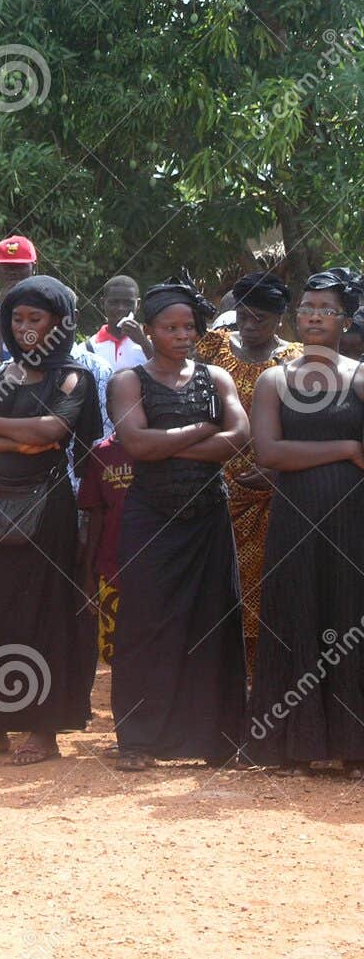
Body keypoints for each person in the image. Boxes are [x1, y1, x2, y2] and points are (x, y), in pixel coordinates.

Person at [0, 275, 101, 766]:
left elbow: (54, 428)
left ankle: (44, 731)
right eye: (18, 318)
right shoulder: (1, 376)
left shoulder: (73, 375)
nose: (25, 327)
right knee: (1, 616)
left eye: (35, 318)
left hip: (50, 512)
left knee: (48, 616)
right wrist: (15, 441)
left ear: (59, 323)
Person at [107, 275, 249, 770]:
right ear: (150, 330)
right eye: (171, 327)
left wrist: (170, 441)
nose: (183, 335)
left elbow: (239, 438)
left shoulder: (217, 378)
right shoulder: (129, 381)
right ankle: (138, 740)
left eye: (189, 327)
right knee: (148, 623)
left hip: (208, 516)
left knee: (212, 621)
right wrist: (198, 431)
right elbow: (137, 446)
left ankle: (216, 738)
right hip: (152, 521)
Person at [247, 268, 364, 775]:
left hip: (353, 518)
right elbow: (269, 453)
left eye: (327, 309)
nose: (315, 316)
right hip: (295, 517)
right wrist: (347, 447)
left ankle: (354, 746)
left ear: (346, 320)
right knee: (294, 613)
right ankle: (289, 744)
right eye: (308, 308)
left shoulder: (360, 376)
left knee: (348, 616)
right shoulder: (274, 378)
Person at [195, 272, 298, 674]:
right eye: (244, 316)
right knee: (217, 587)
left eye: (262, 318)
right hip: (216, 488)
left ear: (280, 320)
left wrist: (277, 472)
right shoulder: (215, 347)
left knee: (267, 586)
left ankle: (261, 680)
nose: (251, 326)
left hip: (273, 491)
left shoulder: (293, 359)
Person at [76, 432, 133, 664]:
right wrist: (89, 573)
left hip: (150, 567)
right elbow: (95, 516)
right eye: (110, 400)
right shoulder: (100, 453)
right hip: (110, 569)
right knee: (114, 653)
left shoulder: (152, 447)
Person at [83, 275, 148, 369]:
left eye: (128, 303)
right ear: (102, 303)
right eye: (113, 302)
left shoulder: (152, 345)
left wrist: (143, 342)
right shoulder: (87, 349)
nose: (120, 308)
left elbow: (167, 373)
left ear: (138, 305)